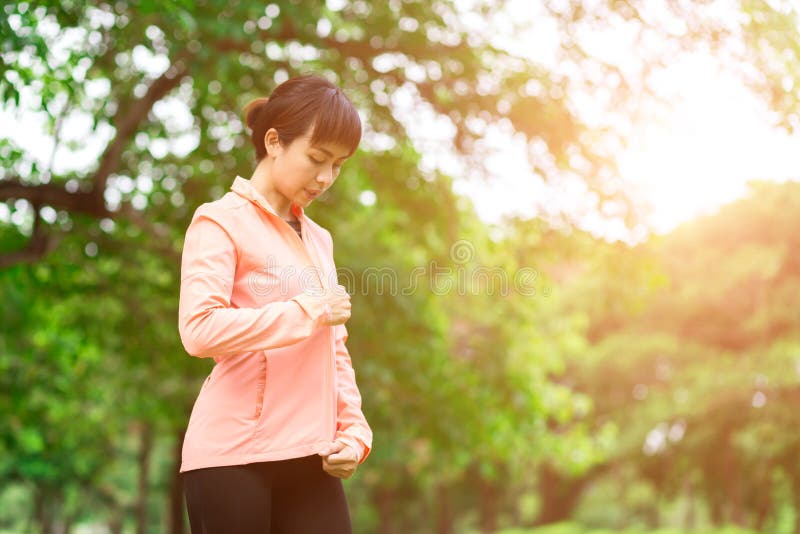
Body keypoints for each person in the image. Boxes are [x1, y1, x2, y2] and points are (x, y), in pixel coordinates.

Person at [177, 73, 373, 533]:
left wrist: (354, 432)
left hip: (311, 455)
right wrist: (308, 310)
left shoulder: (319, 239)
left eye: (338, 165)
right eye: (317, 158)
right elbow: (199, 329)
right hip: (231, 457)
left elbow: (334, 350)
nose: (325, 177)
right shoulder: (219, 221)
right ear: (273, 142)